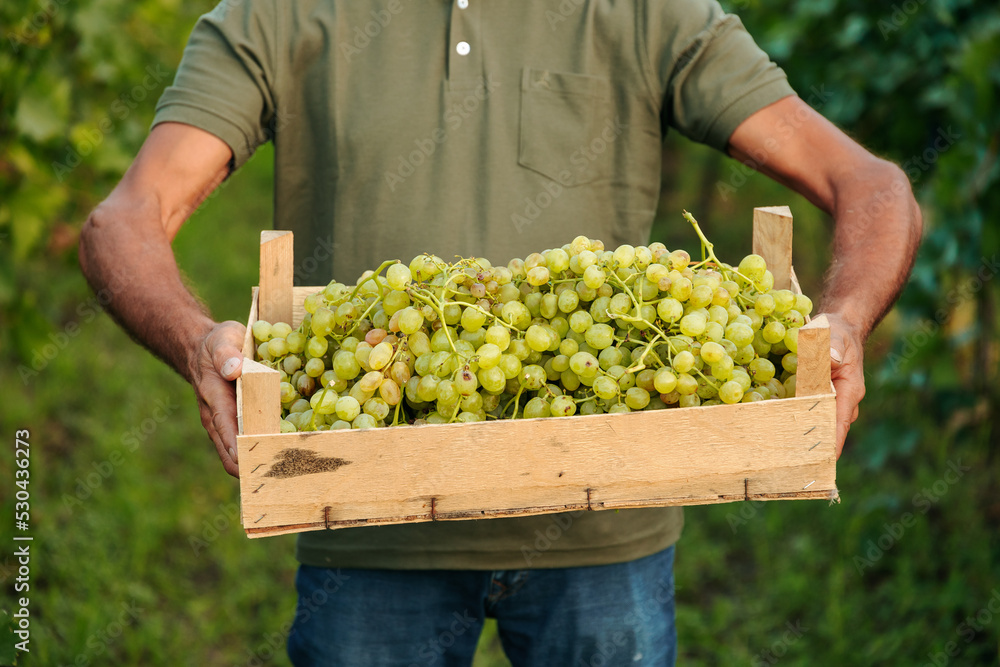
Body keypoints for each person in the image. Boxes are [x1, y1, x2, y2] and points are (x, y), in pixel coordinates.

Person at [78, 0, 922, 664]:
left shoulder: (648, 10)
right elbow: (123, 221)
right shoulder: (276, 12)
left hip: (604, 532)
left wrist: (842, 320)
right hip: (368, 533)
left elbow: (871, 184)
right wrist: (198, 341)